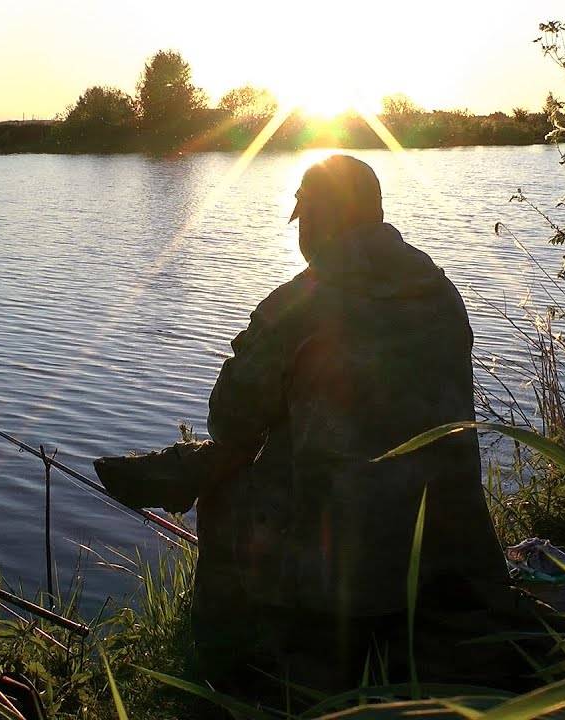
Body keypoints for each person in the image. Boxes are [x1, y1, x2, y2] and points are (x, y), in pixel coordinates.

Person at [96, 155, 521, 693]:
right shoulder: (439, 290)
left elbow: (229, 420)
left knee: (224, 486)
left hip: (343, 561)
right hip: (451, 552)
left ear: (320, 220)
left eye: (304, 220)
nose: (301, 237)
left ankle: (228, 668)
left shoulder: (297, 306)